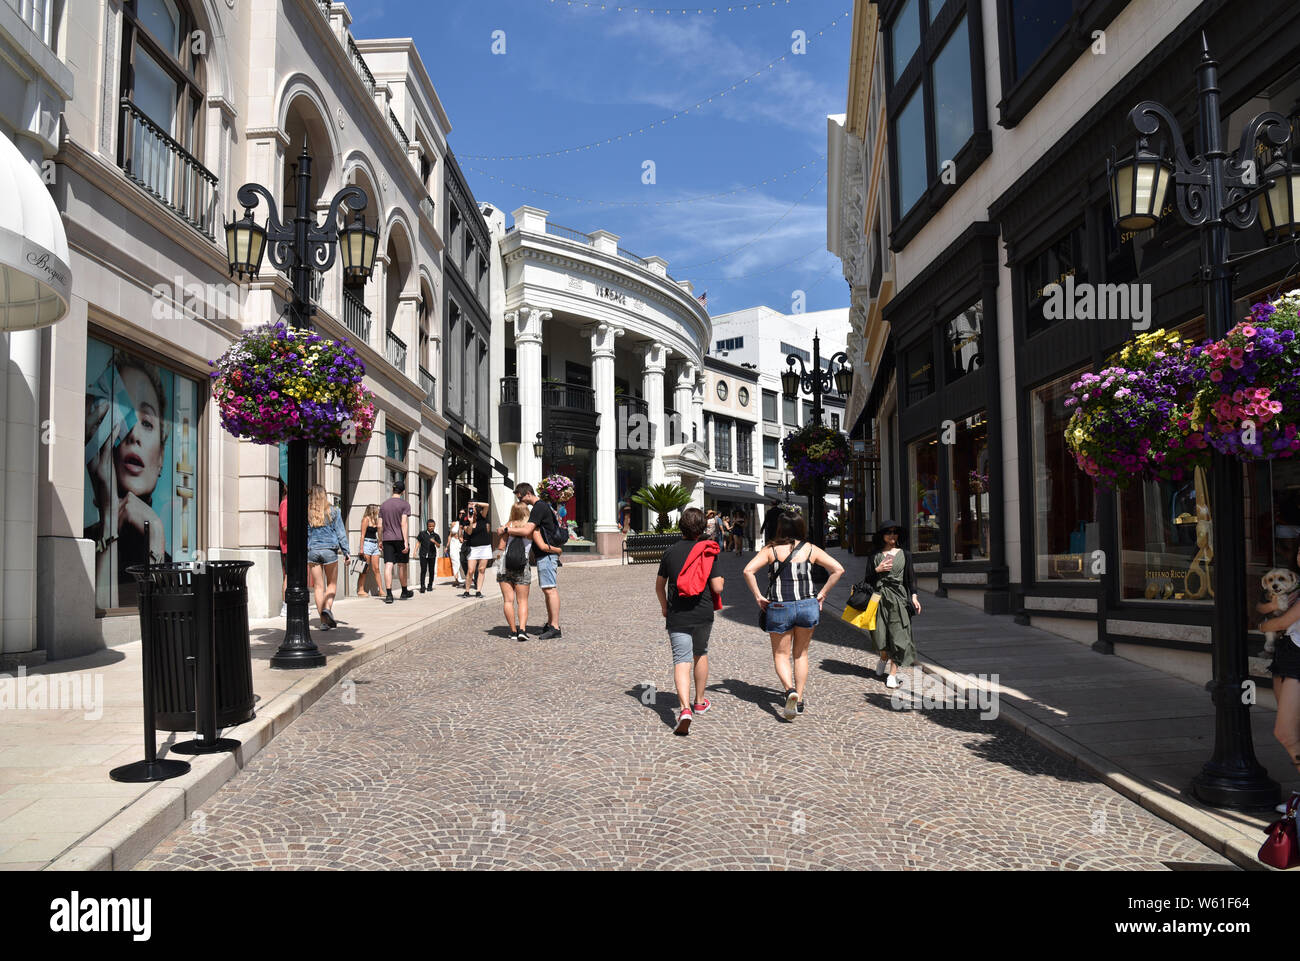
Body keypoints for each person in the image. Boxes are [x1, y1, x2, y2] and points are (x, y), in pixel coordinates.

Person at [84, 352, 171, 605]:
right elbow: (99, 613)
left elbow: (161, 617)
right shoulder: (81, 542)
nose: (133, 435)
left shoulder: (164, 549)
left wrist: (155, 530)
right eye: (123, 419)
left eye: (147, 422)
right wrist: (109, 516)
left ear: (161, 458)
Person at [743, 510, 844, 719]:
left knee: (781, 654)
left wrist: (758, 596)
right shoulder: (810, 549)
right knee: (801, 654)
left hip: (780, 606)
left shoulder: (771, 550)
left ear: (779, 528)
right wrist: (822, 594)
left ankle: (789, 690)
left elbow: (748, 571)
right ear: (801, 527)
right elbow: (838, 569)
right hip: (807, 605)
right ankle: (800, 696)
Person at [656, 507, 725, 735]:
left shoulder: (670, 552)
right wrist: (721, 580)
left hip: (678, 613)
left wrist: (665, 607)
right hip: (703, 611)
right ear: (702, 528)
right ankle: (699, 701)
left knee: (681, 659)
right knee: (701, 652)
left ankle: (684, 709)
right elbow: (717, 586)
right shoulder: (707, 551)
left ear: (681, 526)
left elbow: (659, 585)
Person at [1256, 543, 1300, 815]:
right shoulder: (1294, 588)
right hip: (1286, 652)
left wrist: (1263, 626)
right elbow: (1265, 608)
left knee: (1285, 732)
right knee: (1292, 732)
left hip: (1297, 656)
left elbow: (1280, 622)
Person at [862, 520, 922, 689]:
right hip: (878, 598)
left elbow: (911, 578)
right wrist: (877, 570)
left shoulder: (905, 554)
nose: (892, 536)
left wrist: (914, 597)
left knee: (898, 636)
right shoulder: (874, 556)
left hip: (898, 599)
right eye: (888, 532)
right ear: (882, 536)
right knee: (879, 635)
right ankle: (883, 657)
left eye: (895, 532)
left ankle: (892, 674)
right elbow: (867, 579)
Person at [514, 482, 564, 640]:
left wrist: (507, 529)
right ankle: (551, 624)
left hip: (547, 555)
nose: (521, 501)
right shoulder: (542, 506)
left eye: (521, 498)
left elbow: (528, 530)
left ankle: (555, 627)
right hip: (545, 555)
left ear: (528, 493)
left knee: (550, 589)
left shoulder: (538, 507)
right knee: (547, 590)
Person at [305, 484, 349, 629]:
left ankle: (323, 622)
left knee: (318, 587)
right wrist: (346, 552)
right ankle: (327, 609)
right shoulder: (334, 511)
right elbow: (341, 533)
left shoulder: (308, 513)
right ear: (325, 495)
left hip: (313, 551)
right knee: (332, 584)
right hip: (330, 551)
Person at [496, 502, 534, 641]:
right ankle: (522, 630)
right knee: (522, 601)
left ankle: (512, 631)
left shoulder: (507, 526)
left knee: (508, 600)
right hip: (522, 566)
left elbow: (500, 547)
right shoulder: (530, 528)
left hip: (505, 566)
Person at [379, 479, 413, 603]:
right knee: (402, 565)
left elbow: (379, 525)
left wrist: (380, 540)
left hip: (387, 538)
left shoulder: (384, 505)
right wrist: (405, 541)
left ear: (393, 489)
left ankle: (389, 594)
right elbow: (403, 523)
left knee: (388, 564)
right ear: (403, 491)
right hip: (399, 538)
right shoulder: (404, 505)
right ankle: (404, 591)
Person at [461, 502, 492, 598]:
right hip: (473, 548)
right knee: (470, 570)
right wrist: (470, 522)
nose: (472, 510)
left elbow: (487, 505)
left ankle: (478, 591)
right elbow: (469, 532)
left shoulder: (482, 517)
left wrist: (476, 503)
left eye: (474, 509)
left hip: (485, 547)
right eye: (470, 509)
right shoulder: (465, 520)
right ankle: (467, 591)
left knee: (481, 569)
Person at [355, 504, 382, 598]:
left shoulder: (376, 520)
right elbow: (362, 535)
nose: (378, 511)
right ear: (372, 510)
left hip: (374, 544)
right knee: (364, 568)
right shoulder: (366, 519)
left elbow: (379, 533)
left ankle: (381, 590)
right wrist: (361, 549)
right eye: (377, 509)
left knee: (376, 568)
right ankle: (360, 590)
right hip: (366, 543)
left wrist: (379, 542)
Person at [417, 518, 441, 593]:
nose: (431, 528)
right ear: (427, 526)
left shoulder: (436, 535)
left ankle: (430, 585)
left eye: (433, 526)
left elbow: (438, 545)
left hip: (432, 555)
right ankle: (422, 586)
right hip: (423, 554)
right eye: (430, 526)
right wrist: (415, 551)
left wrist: (434, 542)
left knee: (431, 571)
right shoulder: (422, 533)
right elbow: (418, 542)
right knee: (423, 570)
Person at [279, 481, 289, 617]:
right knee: (288, 576)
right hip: (288, 547)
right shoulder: (286, 504)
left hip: (292, 547)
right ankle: (285, 606)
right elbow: (285, 526)